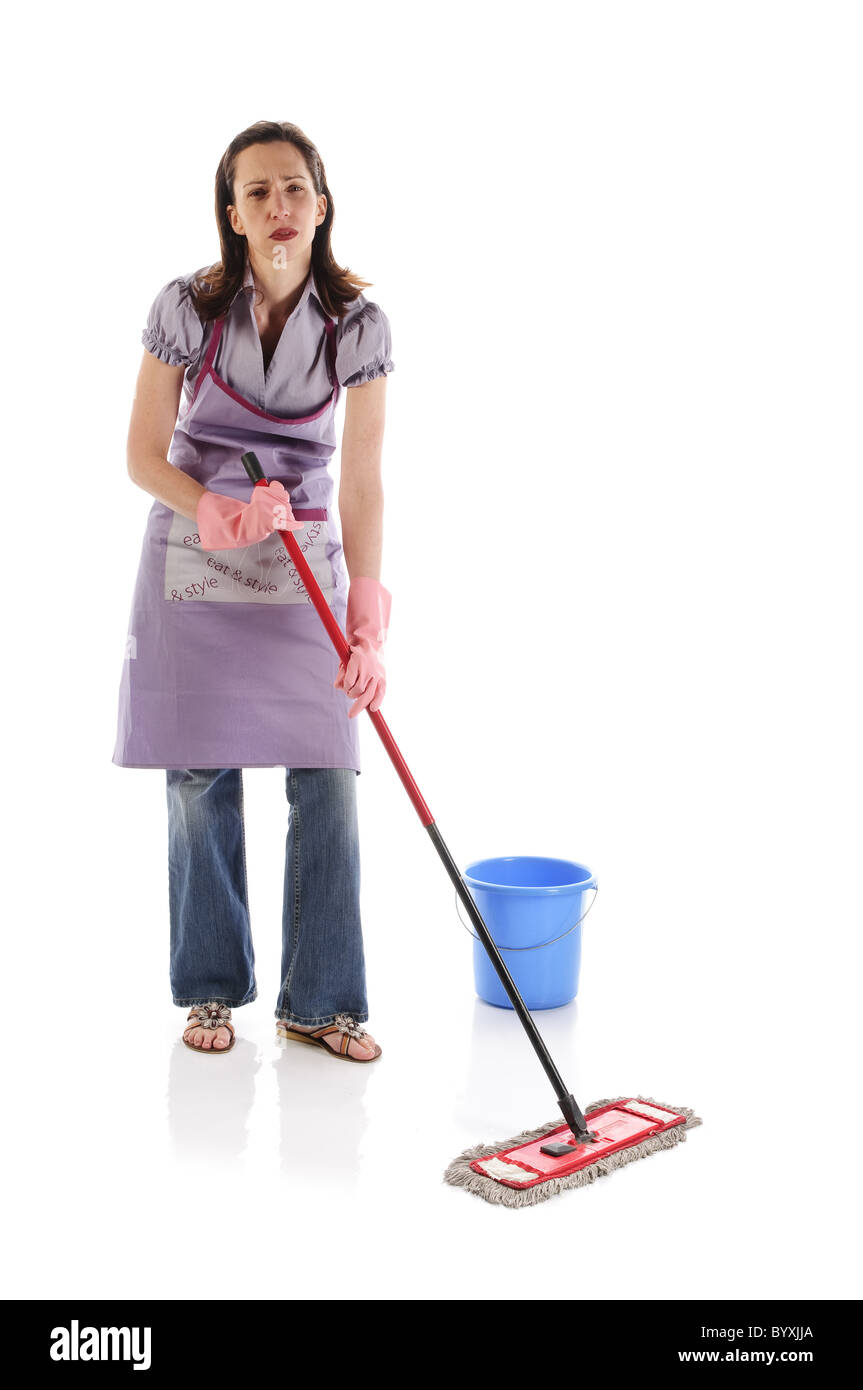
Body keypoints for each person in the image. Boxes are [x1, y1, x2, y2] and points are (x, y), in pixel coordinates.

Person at [113, 120, 394, 1062]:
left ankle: (318, 1000)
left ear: (322, 206)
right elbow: (141, 456)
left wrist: (368, 616)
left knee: (327, 774)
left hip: (301, 557)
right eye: (257, 192)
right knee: (200, 775)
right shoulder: (189, 309)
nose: (278, 207)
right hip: (197, 556)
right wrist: (214, 511)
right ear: (232, 214)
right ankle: (208, 991)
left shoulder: (357, 326)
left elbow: (360, 480)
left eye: (294, 189)